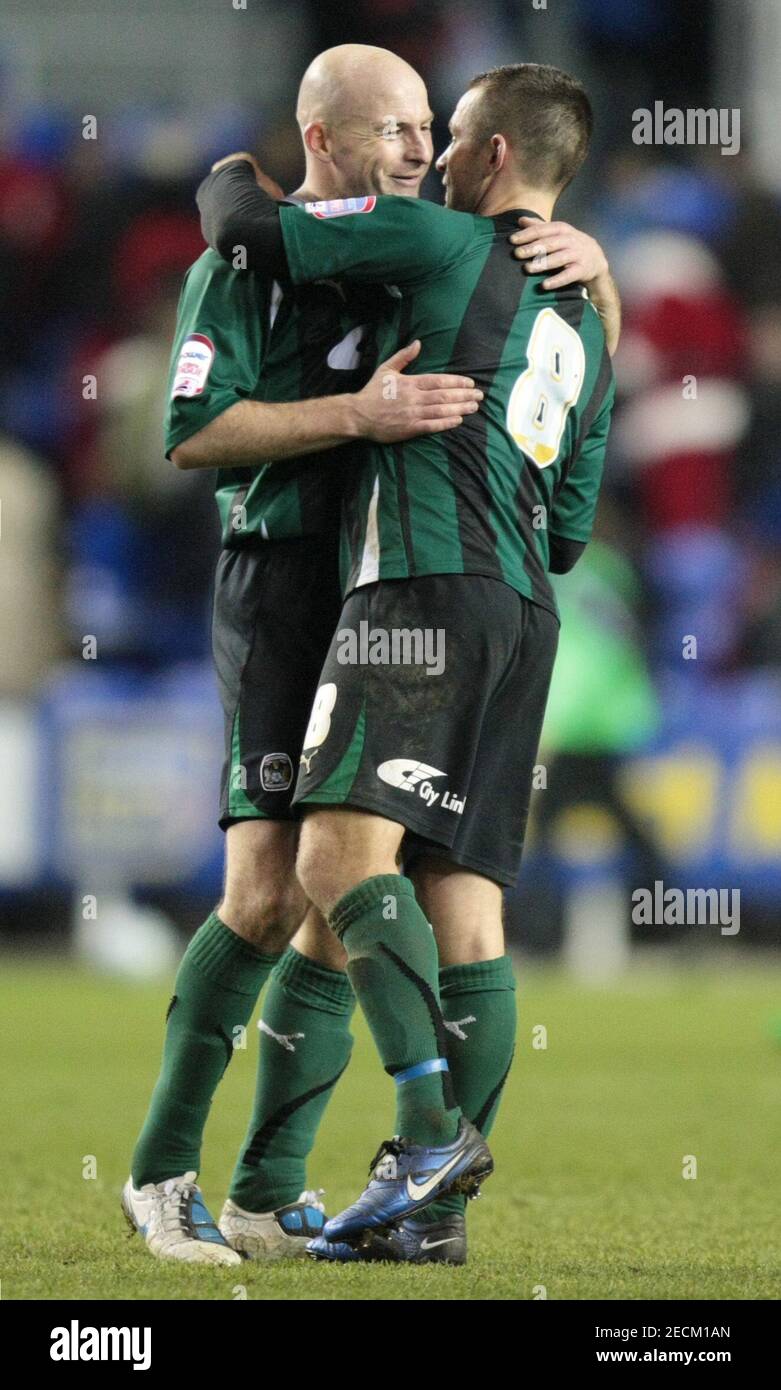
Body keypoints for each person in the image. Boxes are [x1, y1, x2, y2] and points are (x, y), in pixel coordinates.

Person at [123, 47, 617, 1268]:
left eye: (429, 129)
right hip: (290, 586)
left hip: (395, 589)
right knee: (272, 890)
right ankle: (159, 1177)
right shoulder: (245, 267)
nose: (416, 149)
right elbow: (191, 433)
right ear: (325, 138)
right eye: (395, 129)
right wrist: (359, 412)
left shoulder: (420, 249)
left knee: (345, 903)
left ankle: (271, 1188)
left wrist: (593, 271)